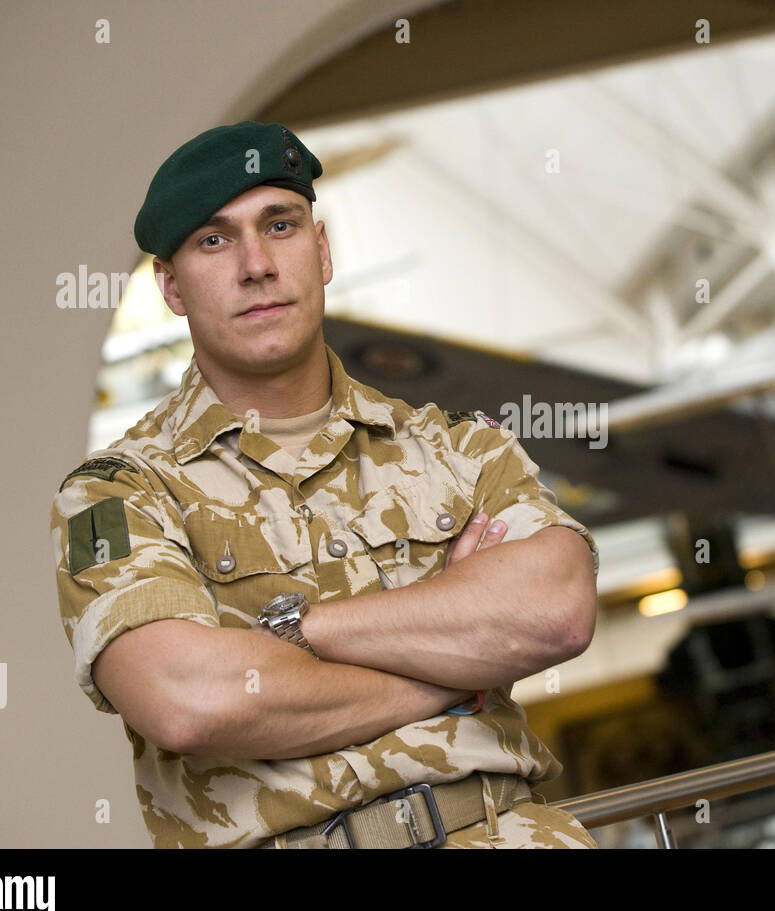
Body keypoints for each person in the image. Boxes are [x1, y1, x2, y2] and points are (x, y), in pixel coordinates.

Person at [48, 121, 601, 849]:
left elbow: (554, 611)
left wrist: (297, 630)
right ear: (171, 287)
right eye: (214, 240)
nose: (255, 264)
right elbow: (187, 698)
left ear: (322, 249)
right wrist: (455, 672)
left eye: (279, 225)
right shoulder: (122, 493)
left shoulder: (457, 444)